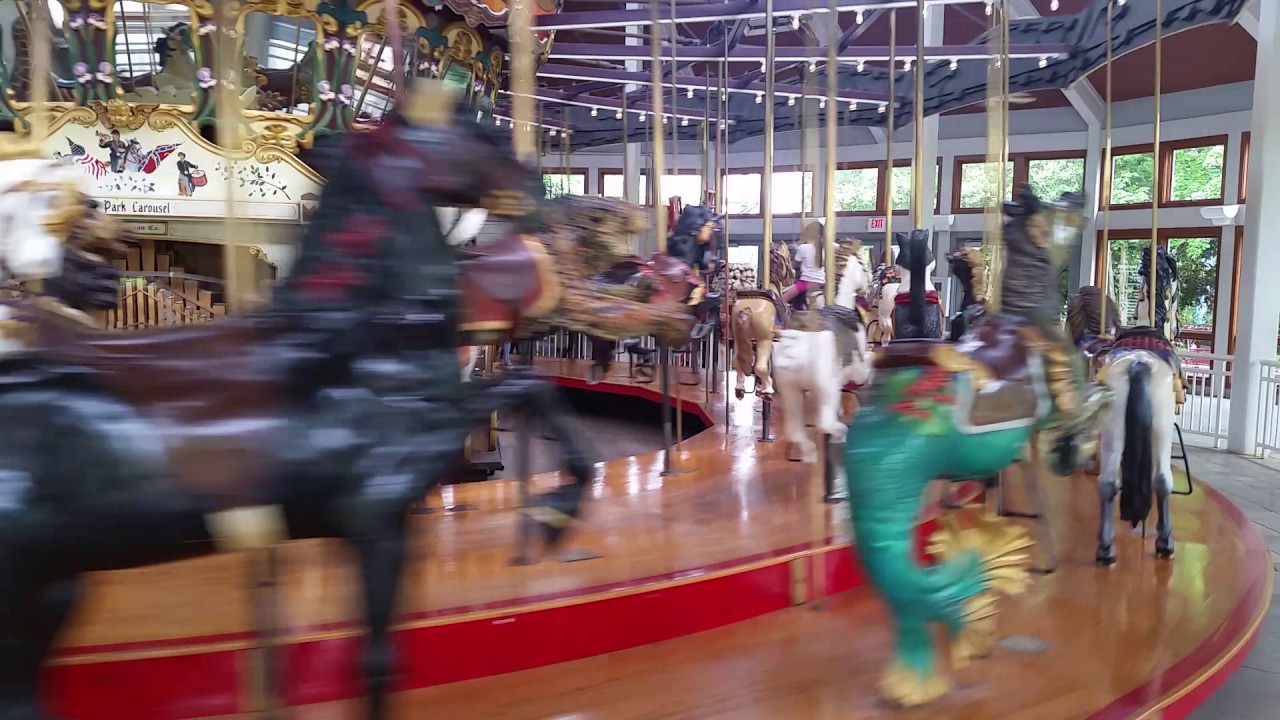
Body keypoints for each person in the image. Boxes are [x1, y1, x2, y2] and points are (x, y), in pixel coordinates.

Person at [781, 221, 825, 305]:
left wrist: (789, 265)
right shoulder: (824, 249)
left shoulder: (803, 248)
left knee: (782, 300)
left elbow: (795, 265)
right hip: (821, 282)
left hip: (805, 282)